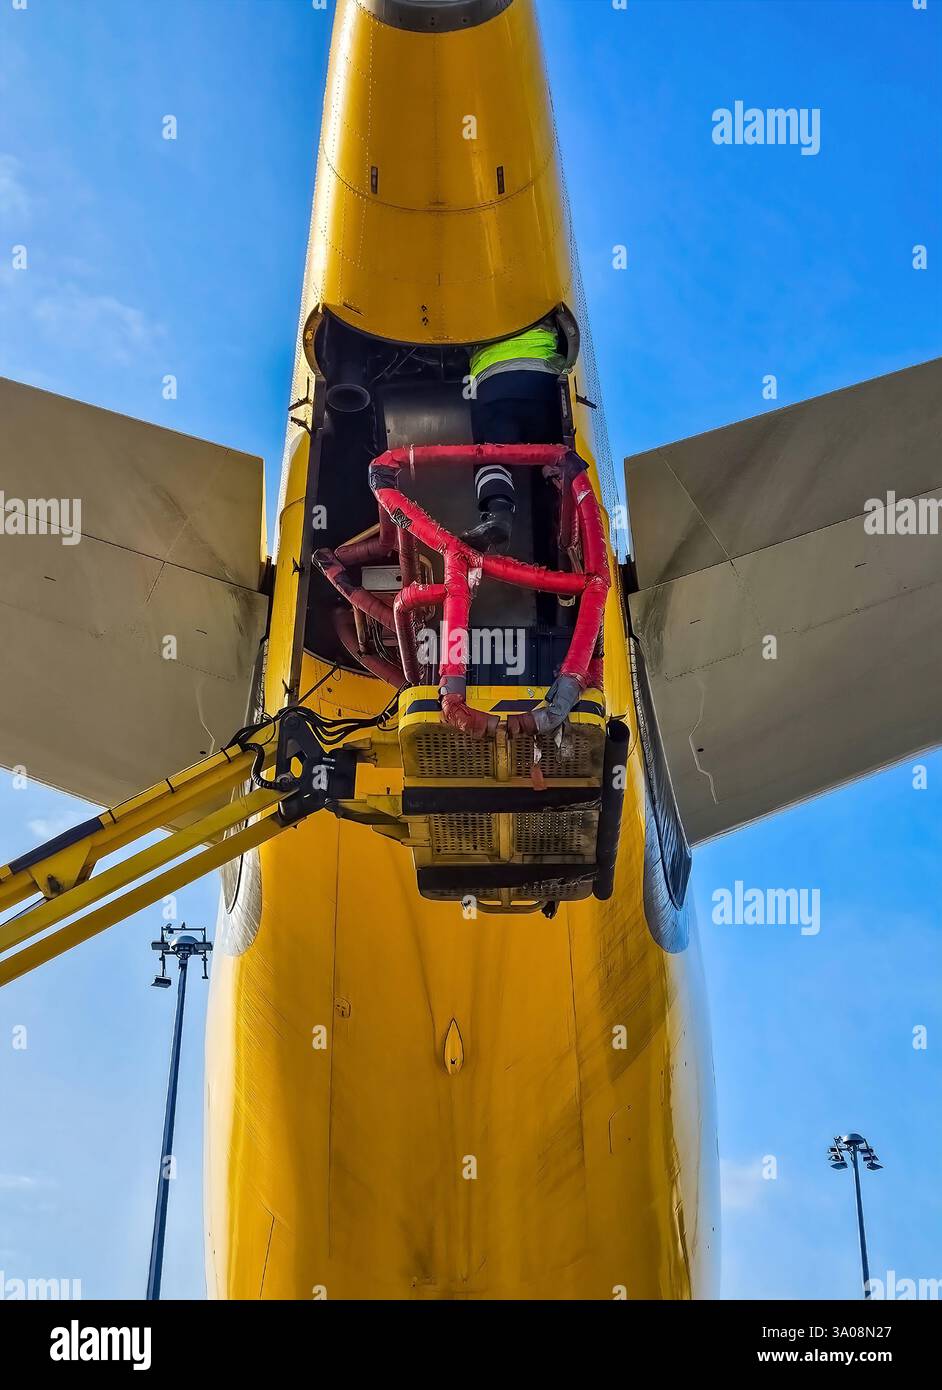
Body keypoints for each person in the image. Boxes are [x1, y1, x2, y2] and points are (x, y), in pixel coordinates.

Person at [463, 318, 566, 550]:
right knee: (553, 452)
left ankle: (499, 513)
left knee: (490, 453)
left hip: (494, 382)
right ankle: (563, 511)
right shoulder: (540, 292)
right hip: (544, 377)